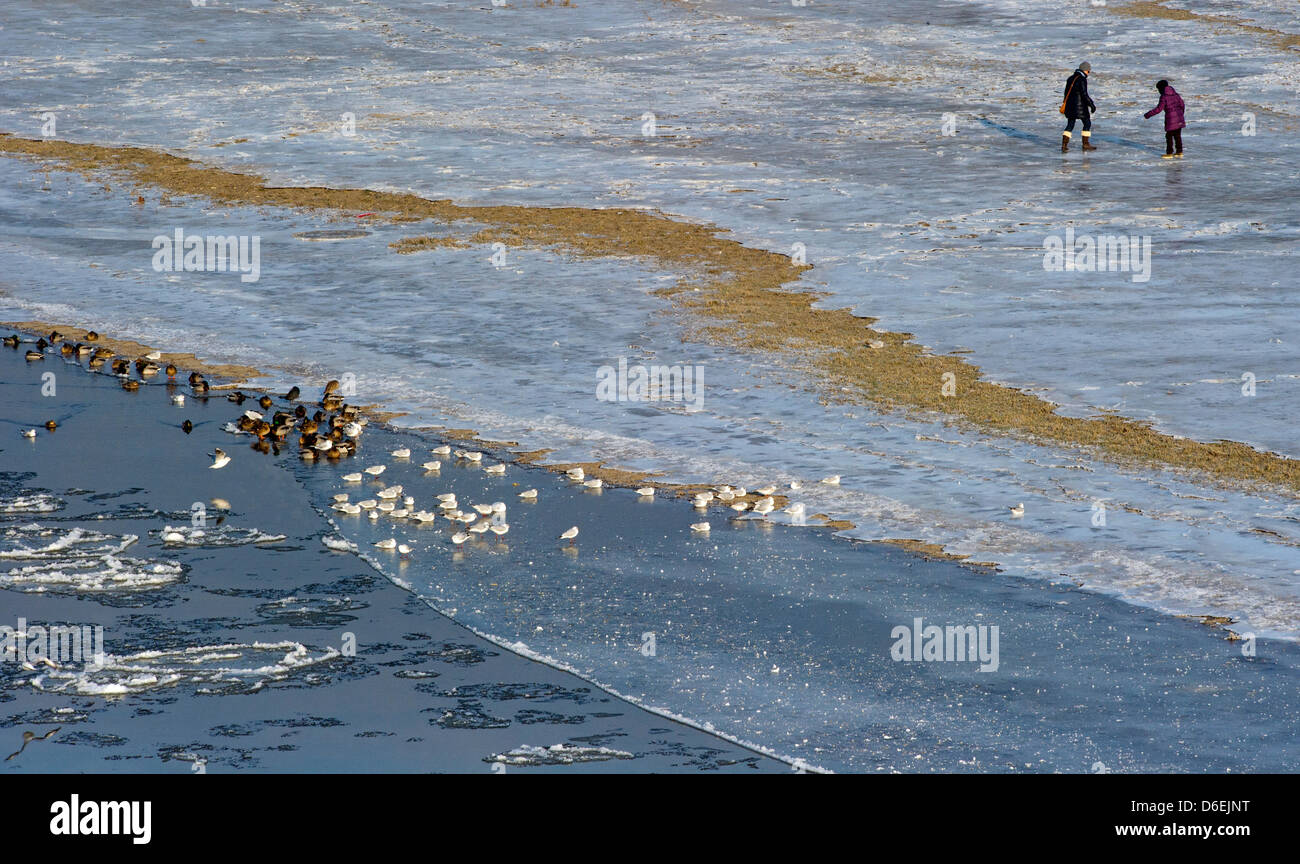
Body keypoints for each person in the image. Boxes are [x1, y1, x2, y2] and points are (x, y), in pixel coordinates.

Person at [1143, 79, 1186, 158]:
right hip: (1179, 118)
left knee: (1169, 136)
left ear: (1161, 88)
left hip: (1171, 119)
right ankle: (1179, 152)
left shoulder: (1164, 97)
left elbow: (1159, 109)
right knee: (1177, 135)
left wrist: (1148, 115)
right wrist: (1181, 115)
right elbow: (1182, 105)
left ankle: (1169, 153)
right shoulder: (1176, 95)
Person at [1061, 62, 1097, 152]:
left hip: (1070, 106)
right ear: (1085, 70)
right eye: (1088, 71)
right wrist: (1091, 105)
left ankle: (1064, 145)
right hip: (1080, 107)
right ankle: (1085, 144)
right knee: (1087, 123)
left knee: (1070, 125)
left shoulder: (1070, 79)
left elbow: (1066, 93)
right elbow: (1084, 94)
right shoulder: (1082, 79)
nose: (1088, 73)